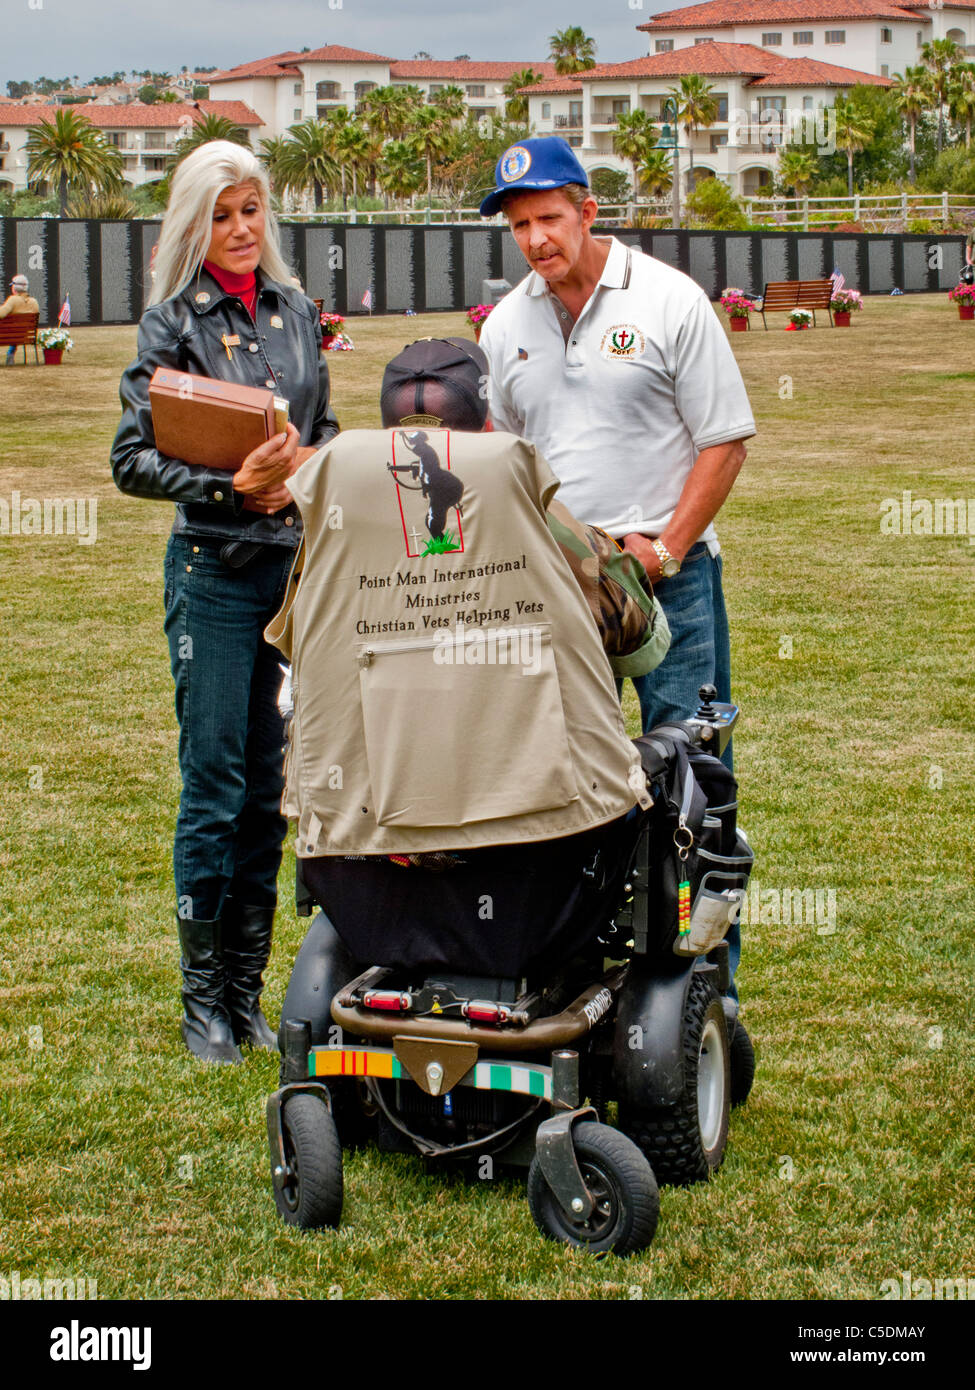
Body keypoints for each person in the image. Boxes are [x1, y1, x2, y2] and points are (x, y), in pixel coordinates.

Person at [477, 136, 755, 991]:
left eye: (549, 218)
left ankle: (707, 993)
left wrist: (664, 548)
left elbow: (724, 441)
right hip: (558, 592)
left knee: (690, 785)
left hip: (671, 582)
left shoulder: (669, 300)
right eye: (519, 225)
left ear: (588, 210)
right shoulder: (505, 324)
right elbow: (499, 456)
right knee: (558, 779)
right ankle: (571, 975)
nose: (535, 239)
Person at [111, 141, 339, 1064]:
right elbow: (131, 462)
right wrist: (230, 489)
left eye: (251, 210)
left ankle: (246, 992)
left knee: (266, 795)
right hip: (213, 573)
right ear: (192, 221)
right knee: (214, 787)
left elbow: (320, 434)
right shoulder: (168, 326)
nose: (241, 230)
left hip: (293, 574)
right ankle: (203, 1002)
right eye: (221, 213)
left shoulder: (297, 313)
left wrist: (305, 476)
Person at [0, 274, 40, 364]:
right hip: (24, 336)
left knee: (11, 330)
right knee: (15, 330)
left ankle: (10, 355)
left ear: (15, 287)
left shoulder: (13, 300)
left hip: (6, 336)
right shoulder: (34, 302)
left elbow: (1, 314)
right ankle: (11, 353)